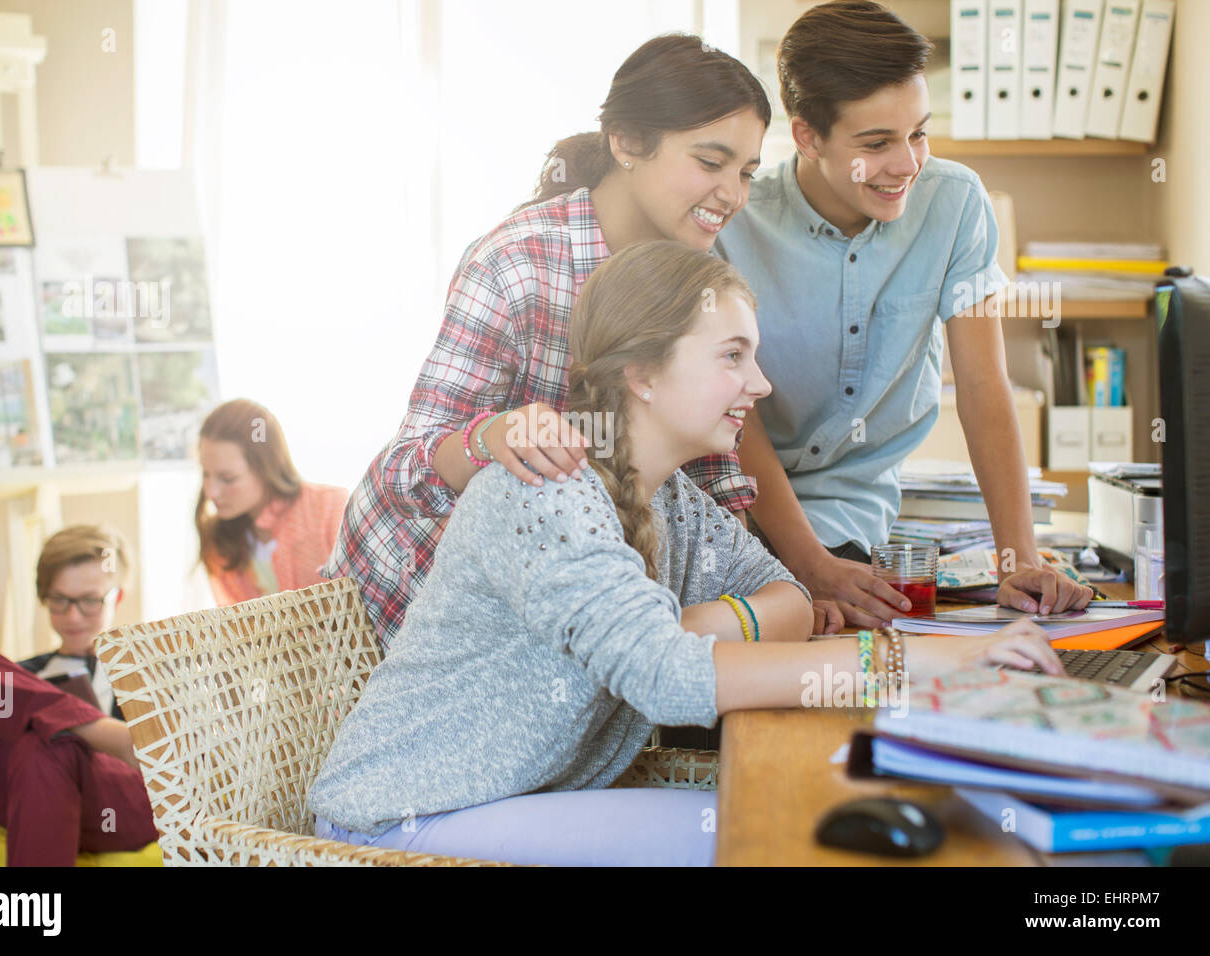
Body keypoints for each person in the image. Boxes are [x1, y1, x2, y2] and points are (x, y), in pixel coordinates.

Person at [308, 241, 1061, 867]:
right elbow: (670, 682)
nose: (759, 384)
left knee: (772, 816)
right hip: (400, 822)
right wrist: (918, 663)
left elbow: (790, 600)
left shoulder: (672, 502)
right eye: (732, 356)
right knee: (753, 840)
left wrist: (687, 626)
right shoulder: (548, 492)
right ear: (642, 371)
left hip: (513, 802)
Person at [322, 33, 812, 648]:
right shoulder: (517, 264)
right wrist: (489, 438)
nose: (734, 196)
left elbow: (708, 481)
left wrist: (763, 593)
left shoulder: (698, 267)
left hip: (564, 607)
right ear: (627, 142)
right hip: (418, 597)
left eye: (745, 173)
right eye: (710, 164)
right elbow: (406, 469)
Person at [715, 0, 1093, 629]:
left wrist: (1017, 559)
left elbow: (982, 386)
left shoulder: (955, 203)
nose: (908, 163)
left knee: (856, 642)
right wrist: (805, 563)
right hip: (730, 499)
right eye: (877, 143)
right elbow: (732, 412)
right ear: (807, 134)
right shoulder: (738, 219)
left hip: (849, 516)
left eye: (918, 132)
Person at [0, 525, 157, 866]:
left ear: (117, 596)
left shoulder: (145, 673)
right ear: (44, 597)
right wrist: (29, 721)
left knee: (45, 746)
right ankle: (99, 730)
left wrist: (45, 731)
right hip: (21, 791)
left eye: (89, 601)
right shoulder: (17, 675)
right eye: (59, 600)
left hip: (112, 805)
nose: (72, 616)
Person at [197, 398, 349, 605]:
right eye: (206, 473)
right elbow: (236, 631)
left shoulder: (331, 508)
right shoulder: (220, 543)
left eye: (228, 478)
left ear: (266, 469)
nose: (211, 492)